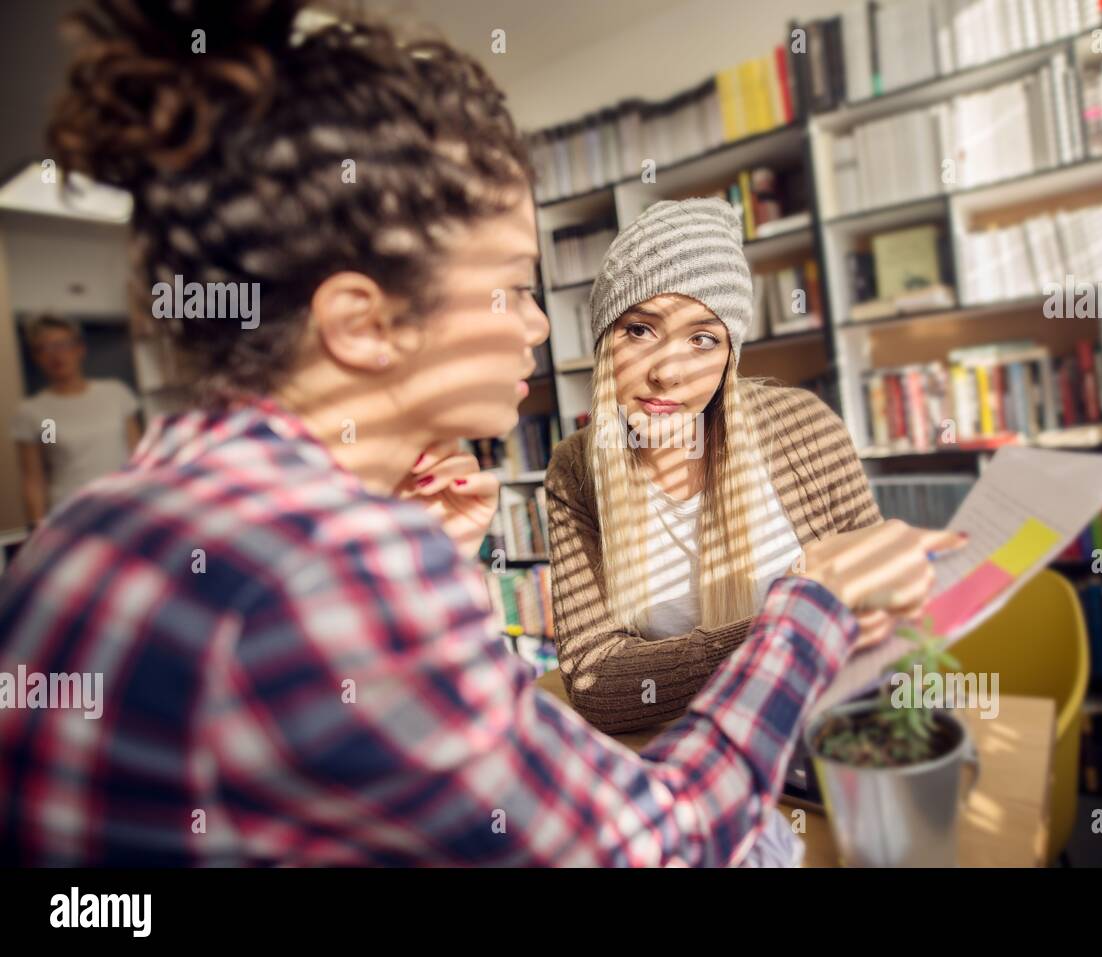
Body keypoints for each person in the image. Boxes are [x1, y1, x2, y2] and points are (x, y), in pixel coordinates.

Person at [0, 0, 958, 866]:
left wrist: (432, 566)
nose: (540, 325)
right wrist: (813, 609)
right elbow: (655, 841)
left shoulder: (92, 526)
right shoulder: (332, 568)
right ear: (365, 323)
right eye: (510, 284)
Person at [547, 198, 908, 734]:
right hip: (686, 749)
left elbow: (883, 616)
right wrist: (782, 628)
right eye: (640, 330)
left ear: (728, 358)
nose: (668, 373)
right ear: (605, 341)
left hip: (822, 730)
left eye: (702, 339)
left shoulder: (801, 427)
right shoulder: (575, 469)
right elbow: (600, 686)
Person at [11, 314, 141, 525]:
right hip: (71, 515)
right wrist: (38, 529)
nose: (56, 355)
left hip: (126, 506)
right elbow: (35, 478)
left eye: (62, 345)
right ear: (36, 357)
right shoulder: (36, 412)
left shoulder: (115, 393)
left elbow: (139, 456)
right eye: (44, 348)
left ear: (79, 349)